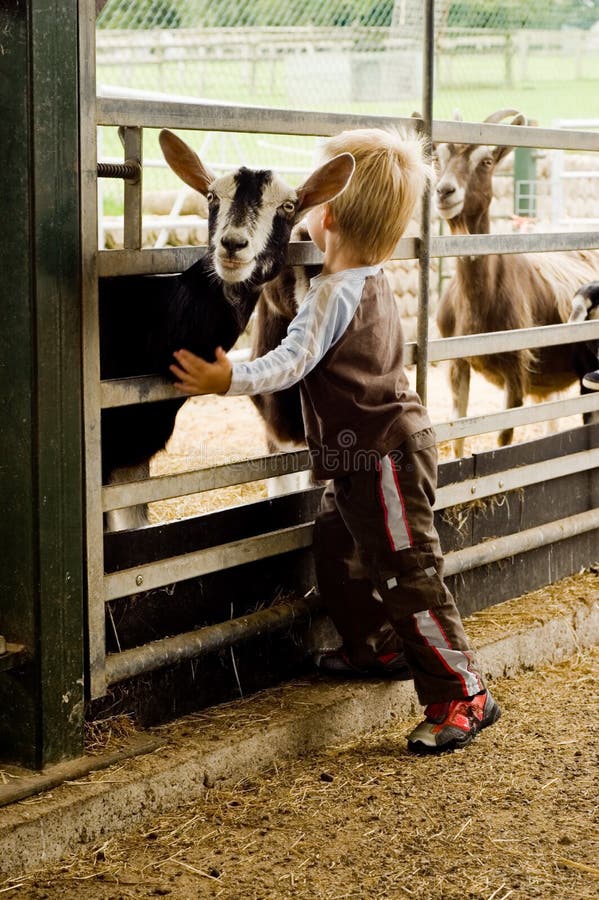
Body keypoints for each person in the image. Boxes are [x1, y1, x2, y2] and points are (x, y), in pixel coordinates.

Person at [169, 128, 501, 754]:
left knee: (410, 573)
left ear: (331, 219)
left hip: (386, 456)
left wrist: (227, 376)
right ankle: (376, 649)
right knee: (340, 555)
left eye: (310, 207)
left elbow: (289, 363)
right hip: (358, 457)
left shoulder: (333, 293)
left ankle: (462, 692)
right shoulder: (370, 276)